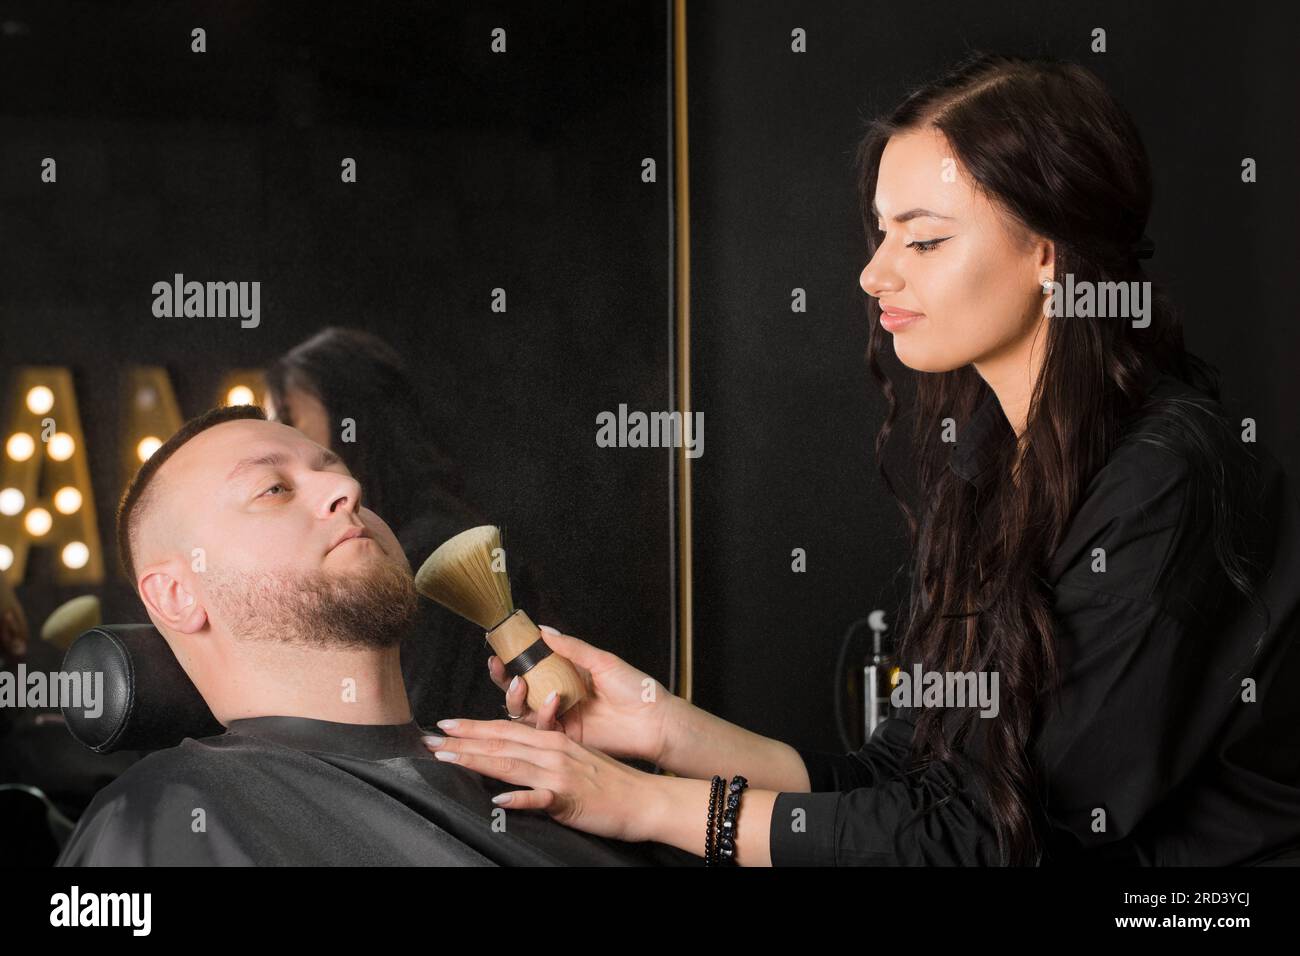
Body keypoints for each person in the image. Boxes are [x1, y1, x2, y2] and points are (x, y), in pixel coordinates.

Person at [421, 52, 1300, 866]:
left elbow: (998, 844)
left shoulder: (1169, 479)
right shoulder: (988, 465)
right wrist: (657, 726)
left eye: (922, 240)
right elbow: (907, 787)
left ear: (1048, 253)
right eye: (880, 234)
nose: (874, 274)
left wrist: (647, 807)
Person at [56, 404, 692, 865]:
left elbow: (789, 826)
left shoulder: (549, 776)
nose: (347, 487)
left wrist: (666, 733)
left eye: (334, 468)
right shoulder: (163, 819)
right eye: (274, 488)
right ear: (177, 594)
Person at [264, 327, 548, 730]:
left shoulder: (431, 550)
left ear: (355, 415)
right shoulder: (403, 538)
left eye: (288, 421)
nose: (275, 443)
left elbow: (416, 729)